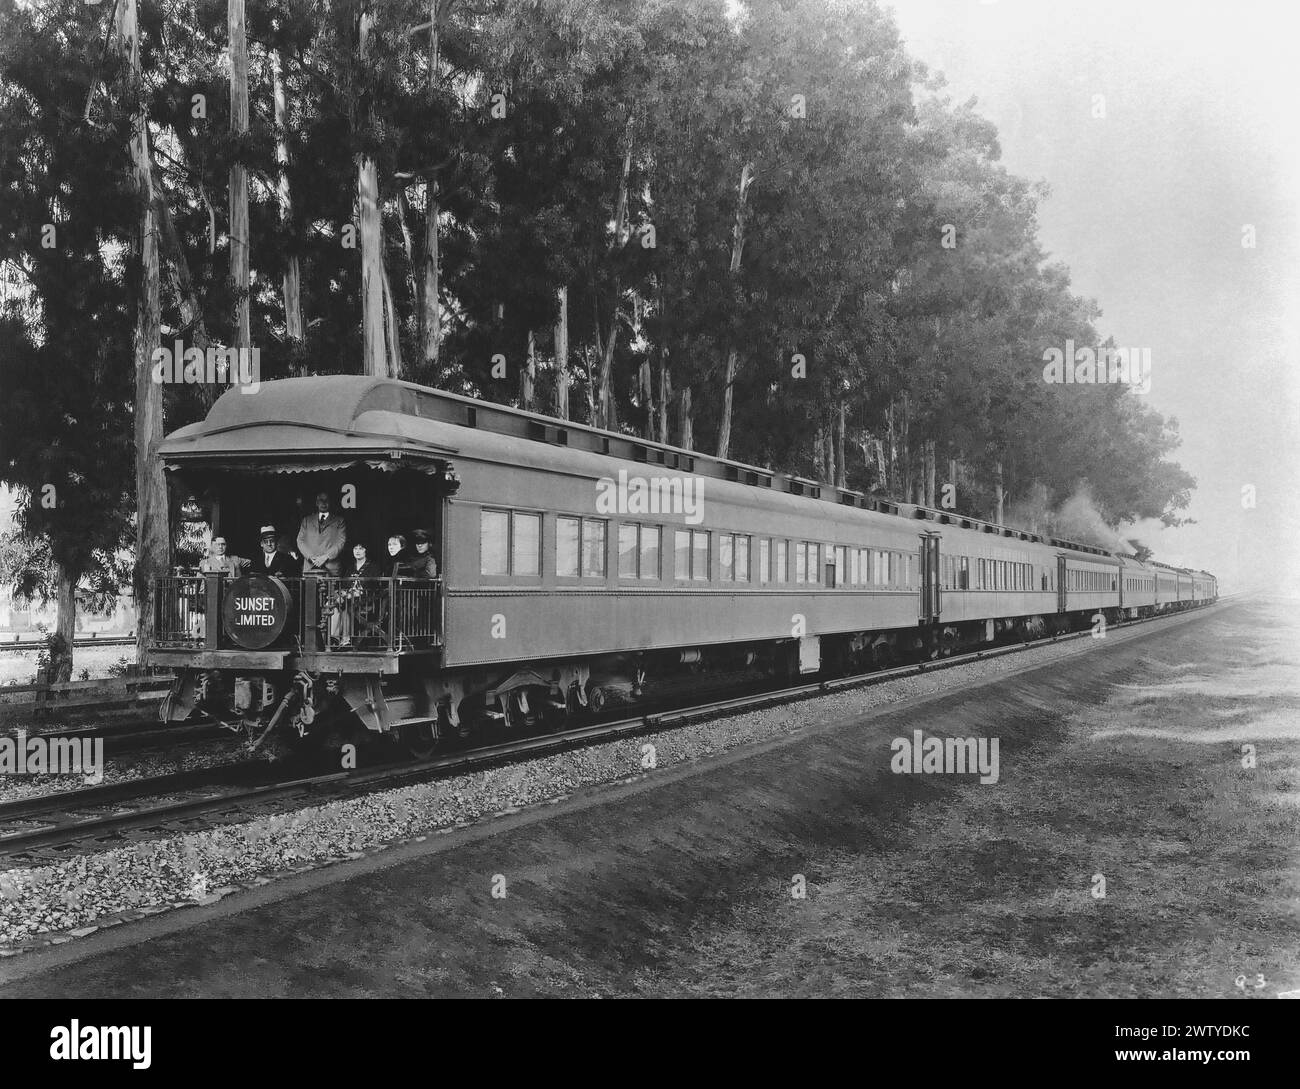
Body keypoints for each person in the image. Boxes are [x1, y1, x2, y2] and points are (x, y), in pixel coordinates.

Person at [297, 491, 347, 576]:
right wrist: (311, 557)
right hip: (310, 567)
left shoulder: (339, 521)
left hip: (331, 568)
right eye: (321, 500)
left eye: (326, 500)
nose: (324, 503)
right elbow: (300, 540)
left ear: (330, 503)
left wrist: (326, 557)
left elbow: (340, 542)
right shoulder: (306, 520)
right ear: (317, 503)